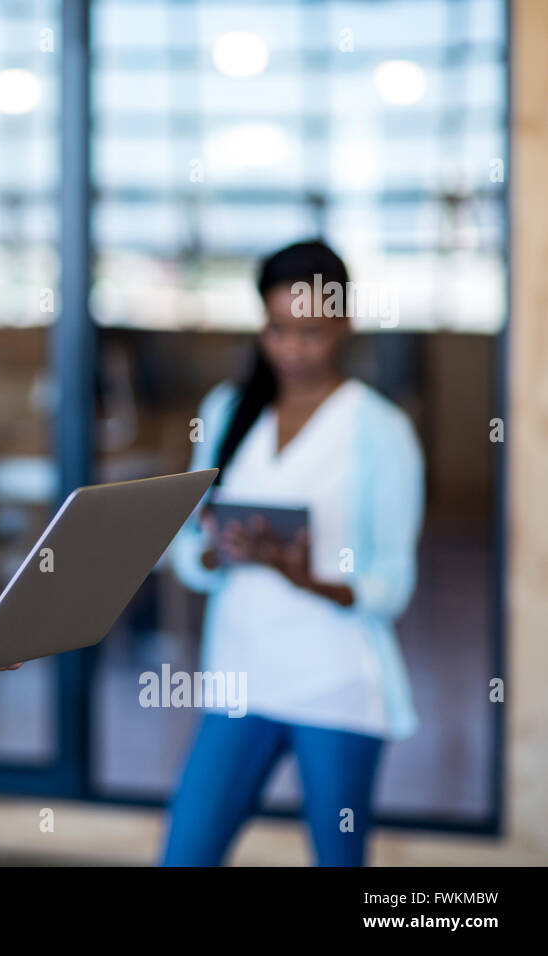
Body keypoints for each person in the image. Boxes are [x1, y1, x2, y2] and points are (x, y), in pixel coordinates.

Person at [161, 239, 425, 866]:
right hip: (240, 677)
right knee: (185, 853)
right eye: (277, 329)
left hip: (337, 686)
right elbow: (186, 556)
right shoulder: (227, 411)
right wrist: (217, 552)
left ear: (344, 323)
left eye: (311, 332)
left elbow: (392, 585)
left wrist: (302, 576)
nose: (292, 349)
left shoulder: (381, 431)